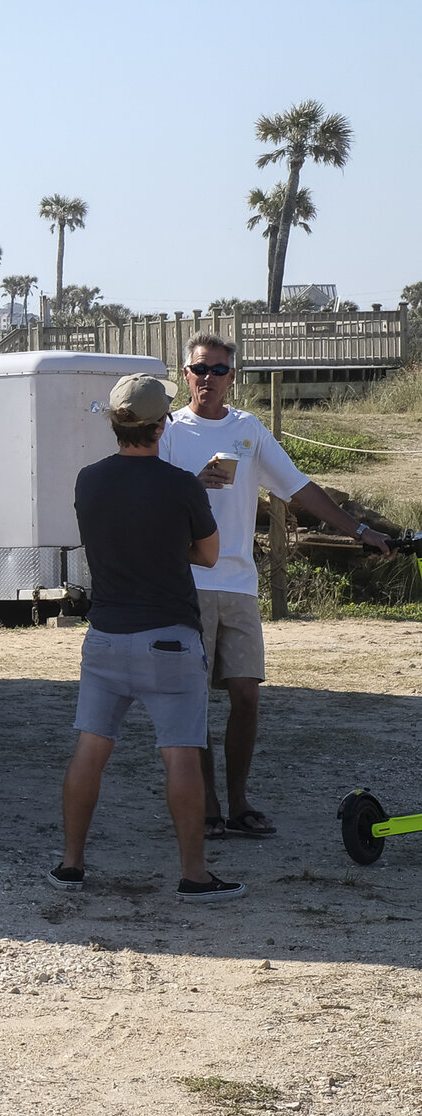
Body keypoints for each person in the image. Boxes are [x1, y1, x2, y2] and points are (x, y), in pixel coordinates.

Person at [159, 333, 389, 838]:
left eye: (219, 370)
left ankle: (239, 802)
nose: (208, 379)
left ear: (233, 378)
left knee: (246, 695)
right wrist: (191, 484)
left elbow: (299, 487)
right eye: (200, 369)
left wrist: (360, 530)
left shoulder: (249, 429)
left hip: (240, 584)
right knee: (193, 699)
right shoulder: (170, 430)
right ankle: (208, 806)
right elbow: (149, 498)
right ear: (185, 374)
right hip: (188, 582)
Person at [55, 372, 240, 901]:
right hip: (170, 638)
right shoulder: (181, 485)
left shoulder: (88, 480)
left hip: (106, 635)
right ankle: (193, 874)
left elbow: (110, 538)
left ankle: (70, 864)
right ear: (162, 425)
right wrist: (172, 540)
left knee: (90, 749)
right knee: (181, 754)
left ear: (115, 423)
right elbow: (208, 555)